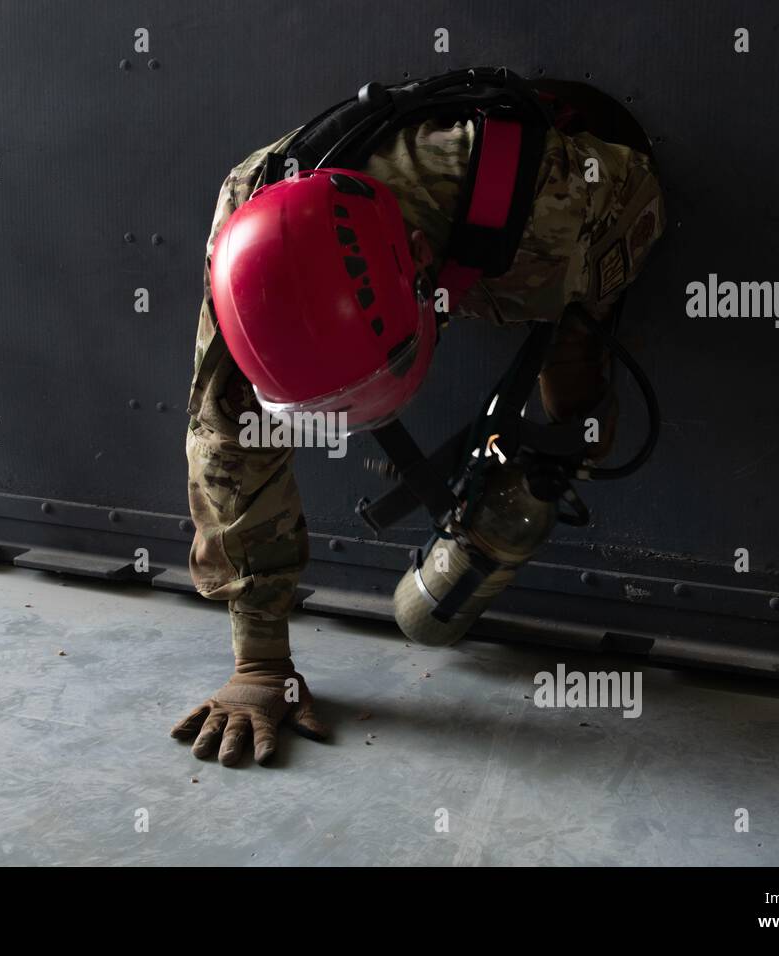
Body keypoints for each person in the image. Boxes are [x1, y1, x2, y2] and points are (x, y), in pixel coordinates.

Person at [172, 73, 665, 767]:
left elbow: (628, 227)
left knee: (579, 385)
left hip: (529, 225)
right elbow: (227, 439)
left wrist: (575, 392)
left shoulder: (557, 217)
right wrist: (260, 666)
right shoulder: (244, 230)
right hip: (429, 232)